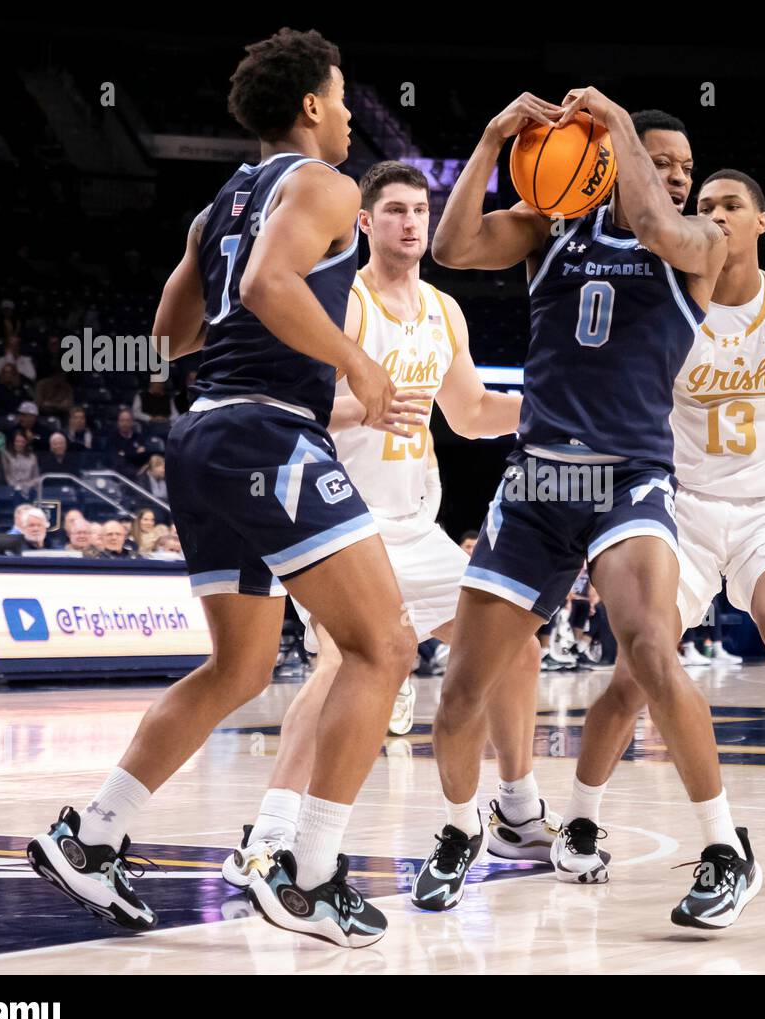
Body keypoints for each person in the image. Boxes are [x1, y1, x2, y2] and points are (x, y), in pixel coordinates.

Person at [26, 28, 413, 949]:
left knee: (241, 666)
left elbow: (170, 330)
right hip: (264, 431)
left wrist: (256, 317)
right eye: (344, 91)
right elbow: (276, 282)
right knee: (383, 646)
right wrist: (355, 361)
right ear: (312, 105)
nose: (353, 109)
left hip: (199, 435)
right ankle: (309, 873)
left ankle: (93, 834)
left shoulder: (219, 205)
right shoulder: (327, 187)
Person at [425, 92, 760, 928]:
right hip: (537, 480)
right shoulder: (553, 226)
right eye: (665, 160)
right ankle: (465, 829)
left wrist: (614, 121)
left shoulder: (700, 245)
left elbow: (652, 222)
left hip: (630, 476)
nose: (681, 176)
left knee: (650, 646)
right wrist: (496, 135)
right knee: (462, 691)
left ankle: (724, 849)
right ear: (611, 160)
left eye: (688, 165)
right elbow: (452, 244)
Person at [222, 160, 551, 890]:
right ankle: (268, 836)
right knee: (341, 664)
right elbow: (292, 406)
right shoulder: (341, 301)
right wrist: (364, 403)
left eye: (420, 211)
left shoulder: (444, 310)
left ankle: (518, 808)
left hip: (412, 522)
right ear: (365, 223)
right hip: (337, 520)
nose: (411, 222)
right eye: (395, 210)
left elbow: (468, 414)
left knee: (515, 638)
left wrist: (550, 409)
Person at [554, 167, 765, 895]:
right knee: (636, 667)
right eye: (703, 206)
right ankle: (579, 818)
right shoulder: (665, 308)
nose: (716, 214)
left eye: (731, 204)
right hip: (681, 509)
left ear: (761, 221)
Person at [107, 409, 147, 474]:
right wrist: (134, 453)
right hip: (119, 474)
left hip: (138, 473)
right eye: (122, 420)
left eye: (127, 420)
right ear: (118, 422)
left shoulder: (139, 437)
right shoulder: (112, 438)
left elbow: (142, 458)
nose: (125, 423)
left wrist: (124, 454)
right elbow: (115, 459)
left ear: (132, 422)